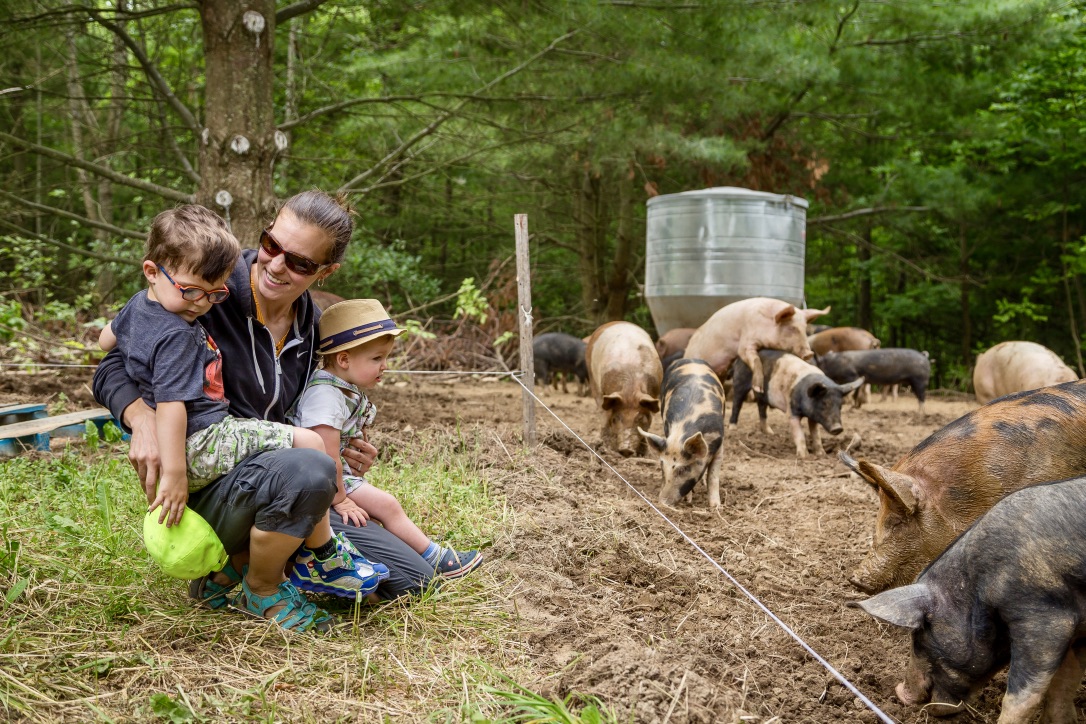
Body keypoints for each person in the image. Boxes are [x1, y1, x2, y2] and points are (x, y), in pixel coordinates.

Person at [94, 191, 438, 633]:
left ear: (326, 272)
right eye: (271, 245)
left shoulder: (313, 327)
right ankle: (253, 579)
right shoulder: (208, 287)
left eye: (300, 263)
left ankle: (273, 560)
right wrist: (141, 418)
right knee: (309, 466)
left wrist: (344, 447)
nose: (275, 265)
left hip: (293, 478)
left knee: (410, 581)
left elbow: (316, 403)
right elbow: (110, 364)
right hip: (219, 481)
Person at [291, 299, 484, 579]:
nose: (385, 366)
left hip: (336, 478)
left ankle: (407, 553)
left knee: (380, 510)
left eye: (386, 358)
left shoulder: (341, 388)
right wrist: (340, 500)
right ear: (343, 359)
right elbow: (325, 455)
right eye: (377, 359)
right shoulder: (324, 395)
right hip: (323, 482)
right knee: (387, 505)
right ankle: (435, 556)